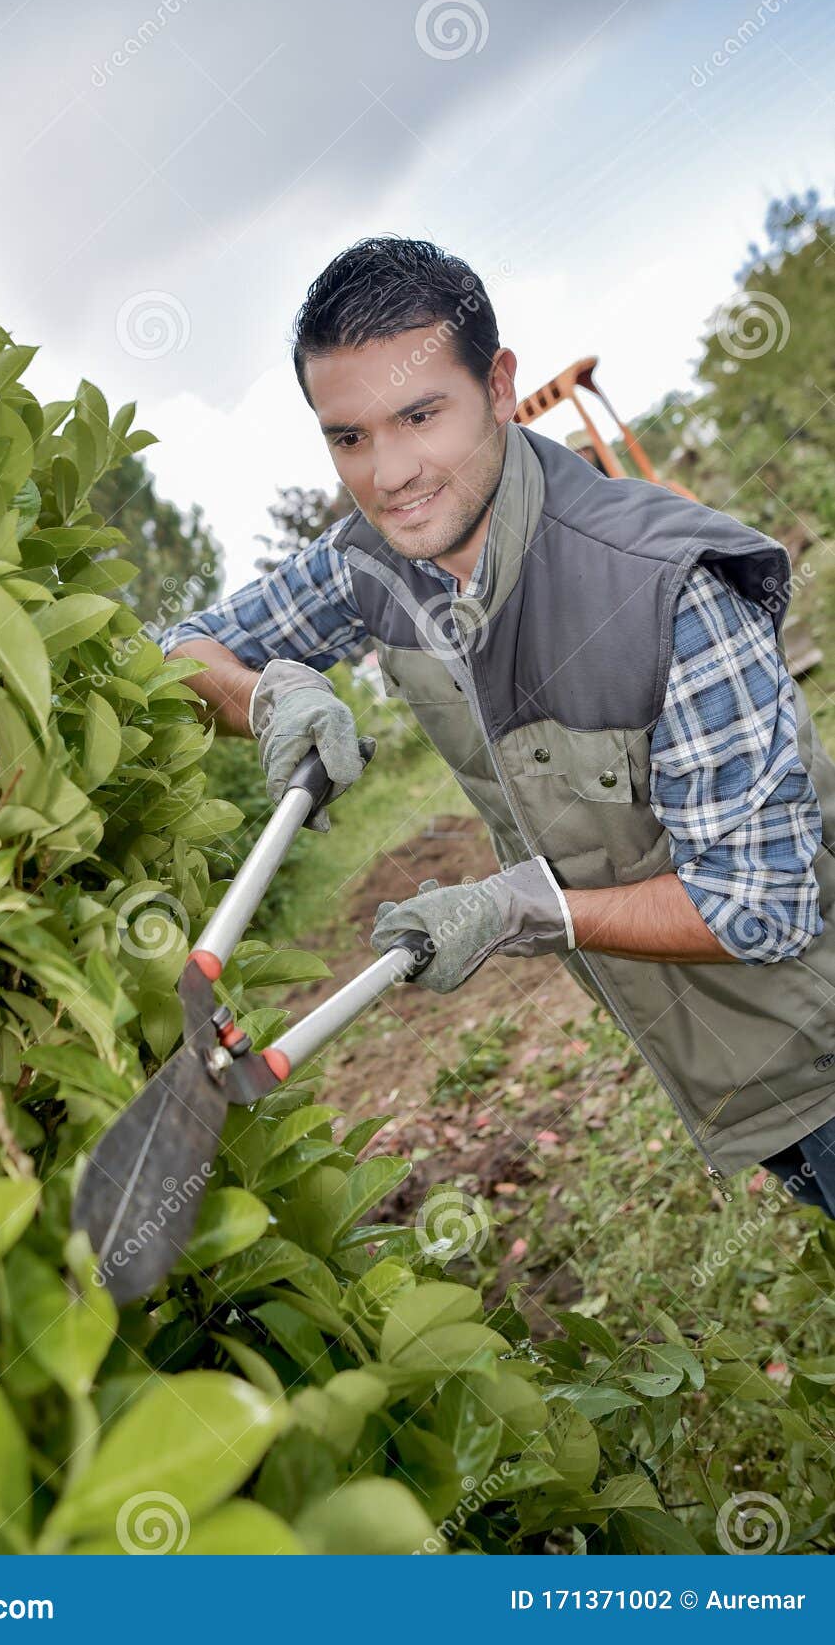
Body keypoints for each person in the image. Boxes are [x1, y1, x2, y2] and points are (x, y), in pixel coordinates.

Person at [159, 235, 835, 1220]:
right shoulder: (375, 560)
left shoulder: (661, 590)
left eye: (420, 416)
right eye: (349, 438)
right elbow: (177, 642)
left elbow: (765, 906)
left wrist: (532, 907)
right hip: (745, 1084)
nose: (389, 473)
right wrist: (266, 695)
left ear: (499, 385)